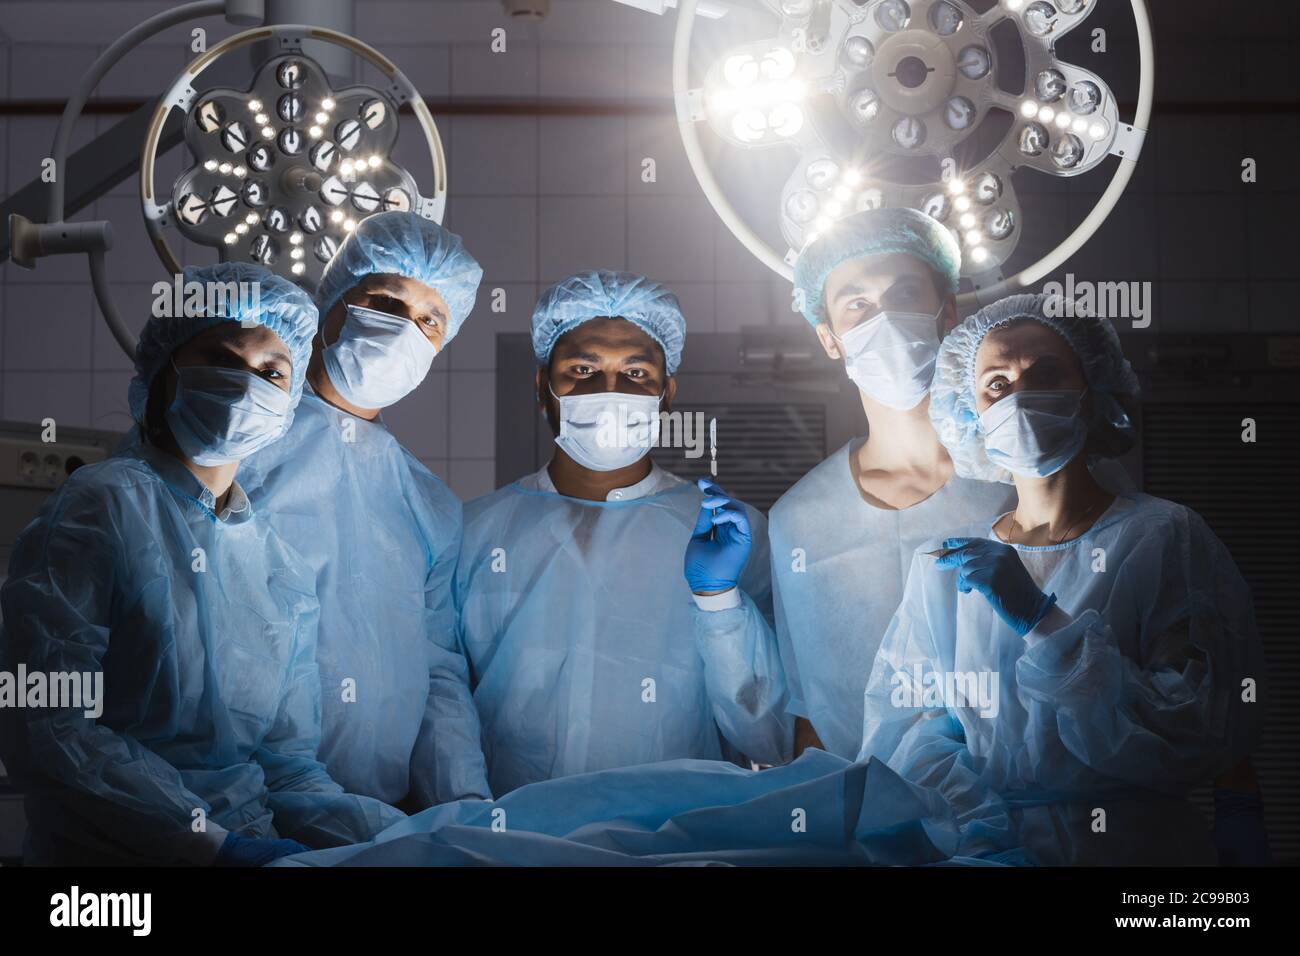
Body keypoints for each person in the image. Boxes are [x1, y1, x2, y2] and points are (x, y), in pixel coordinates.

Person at [0, 263, 405, 866]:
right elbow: (49, 725)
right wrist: (212, 847)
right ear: (163, 376)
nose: (247, 387)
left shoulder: (280, 567)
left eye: (272, 371)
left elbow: (286, 769)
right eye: (221, 358)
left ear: (289, 402)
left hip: (253, 844)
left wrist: (405, 836)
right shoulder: (100, 506)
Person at [858, 293, 1264, 865]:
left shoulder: (1163, 537)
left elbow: (1194, 726)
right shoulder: (947, 567)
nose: (1019, 397)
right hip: (989, 848)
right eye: (996, 383)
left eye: (1045, 373)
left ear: (1091, 392)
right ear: (970, 411)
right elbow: (913, 736)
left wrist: (1043, 622)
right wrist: (981, 834)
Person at [455, 270, 793, 796]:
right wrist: (468, 819)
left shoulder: (729, 534)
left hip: (679, 839)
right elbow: (443, 702)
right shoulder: (475, 532)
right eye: (582, 369)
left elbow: (771, 735)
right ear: (543, 388)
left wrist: (720, 601)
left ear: (666, 394)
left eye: (635, 374)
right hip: (514, 840)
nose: (608, 391)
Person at [238, 211, 490, 809]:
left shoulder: (427, 503)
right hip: (247, 804)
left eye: (430, 320)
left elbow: (438, 672)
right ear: (330, 307)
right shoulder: (242, 447)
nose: (405, 330)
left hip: (379, 814)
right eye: (385, 301)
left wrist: (465, 805)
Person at [769, 208, 1016, 761]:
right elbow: (807, 717)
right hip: (865, 824)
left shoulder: (1019, 479)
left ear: (946, 312)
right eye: (857, 304)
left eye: (905, 293)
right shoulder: (800, 519)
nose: (884, 319)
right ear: (829, 338)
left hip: (1012, 820)